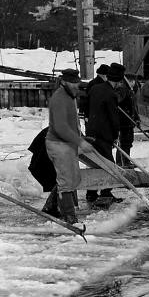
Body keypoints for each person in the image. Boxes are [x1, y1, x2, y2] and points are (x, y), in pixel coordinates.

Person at [46, 69, 93, 223]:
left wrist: (80, 137)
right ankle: (69, 217)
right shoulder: (59, 98)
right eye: (72, 83)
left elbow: (72, 123)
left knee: (72, 179)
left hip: (68, 143)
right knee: (66, 182)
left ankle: (51, 207)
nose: (75, 85)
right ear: (64, 82)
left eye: (76, 82)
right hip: (58, 144)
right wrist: (80, 142)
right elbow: (61, 127)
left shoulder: (70, 96)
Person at [84, 62, 124, 209]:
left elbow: (86, 107)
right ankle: (105, 193)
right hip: (104, 135)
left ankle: (92, 193)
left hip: (91, 132)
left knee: (95, 164)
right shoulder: (111, 94)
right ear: (118, 81)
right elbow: (113, 118)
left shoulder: (95, 88)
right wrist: (115, 135)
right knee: (109, 166)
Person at [114, 67, 140, 167]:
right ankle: (121, 162)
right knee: (124, 142)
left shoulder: (130, 90)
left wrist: (136, 119)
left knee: (128, 142)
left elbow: (133, 107)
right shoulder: (123, 89)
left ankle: (126, 160)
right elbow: (116, 100)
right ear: (131, 81)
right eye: (134, 81)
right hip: (123, 121)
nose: (135, 83)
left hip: (129, 122)